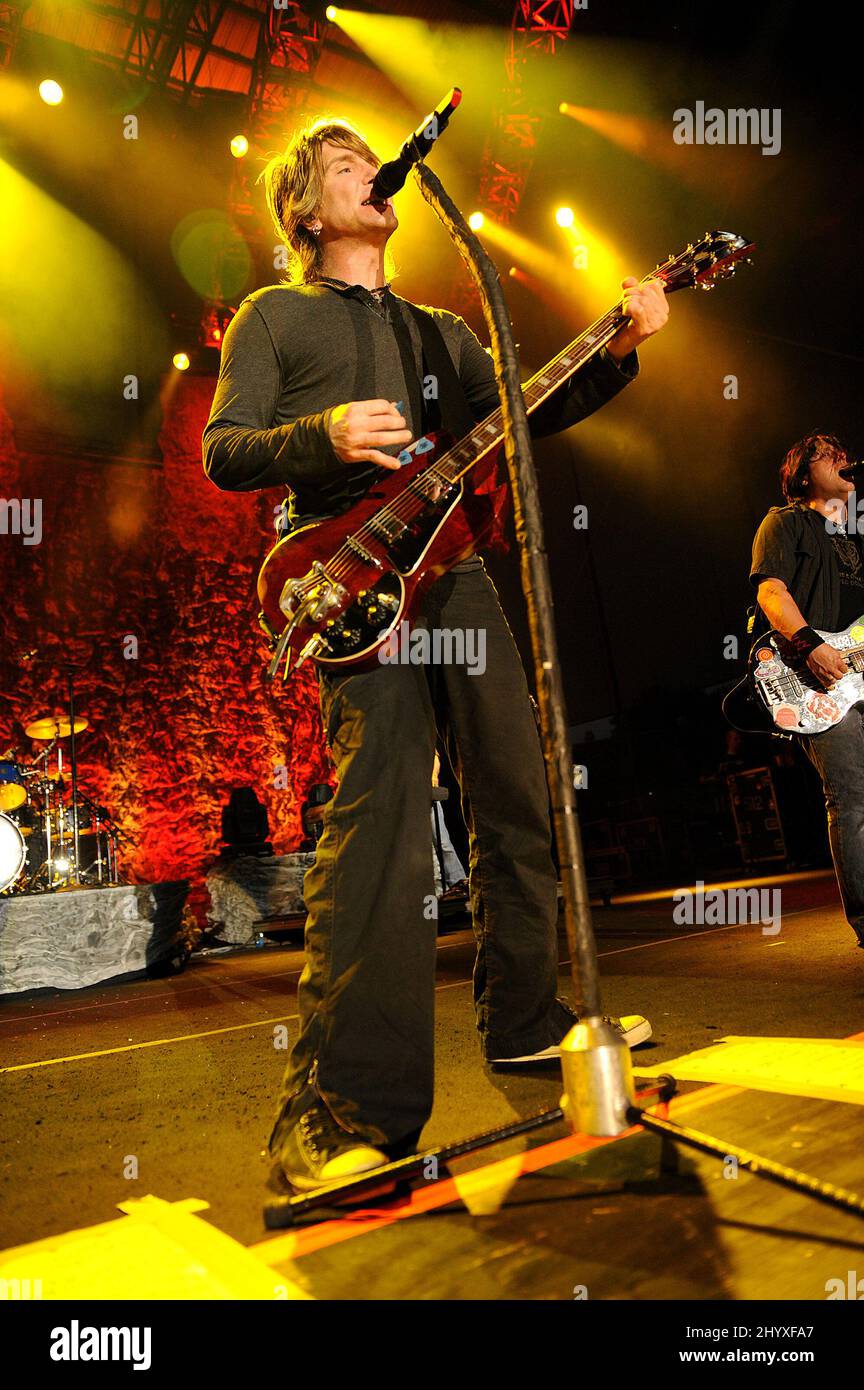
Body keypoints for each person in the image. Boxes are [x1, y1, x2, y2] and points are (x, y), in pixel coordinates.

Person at [203, 116, 669, 1193]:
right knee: (383, 823)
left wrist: (623, 347)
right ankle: (337, 1116)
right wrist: (318, 438)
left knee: (519, 787)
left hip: (455, 574)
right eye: (344, 163)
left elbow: (522, 410)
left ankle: (526, 1017)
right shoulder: (275, 317)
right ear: (304, 210)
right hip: (357, 586)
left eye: (375, 159)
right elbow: (226, 448)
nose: (372, 170)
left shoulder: (439, 331)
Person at [750, 430, 864, 949]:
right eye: (827, 454)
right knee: (854, 796)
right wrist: (808, 643)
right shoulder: (786, 521)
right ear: (800, 474)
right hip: (817, 679)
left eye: (843, 452)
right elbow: (770, 590)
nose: (842, 457)